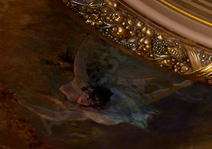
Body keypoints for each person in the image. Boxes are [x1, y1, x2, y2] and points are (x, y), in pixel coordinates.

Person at [19, 36, 191, 127]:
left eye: (86, 101)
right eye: (86, 96)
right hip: (110, 96)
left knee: (146, 99)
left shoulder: (92, 113)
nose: (82, 99)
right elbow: (80, 59)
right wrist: (90, 37)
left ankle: (178, 86)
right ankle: (177, 86)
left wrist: (25, 104)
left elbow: (54, 116)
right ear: (89, 91)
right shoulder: (82, 83)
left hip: (112, 111)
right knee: (146, 98)